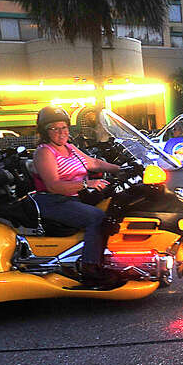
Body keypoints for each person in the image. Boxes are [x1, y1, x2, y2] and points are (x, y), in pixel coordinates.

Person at [31, 106, 123, 285]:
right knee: (97, 217)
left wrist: (122, 169)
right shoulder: (44, 152)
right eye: (54, 128)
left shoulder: (70, 148)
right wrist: (86, 184)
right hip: (53, 201)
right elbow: (53, 185)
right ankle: (90, 267)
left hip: (74, 197)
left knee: (115, 205)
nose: (61, 132)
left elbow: (94, 163)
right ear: (45, 132)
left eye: (64, 127)